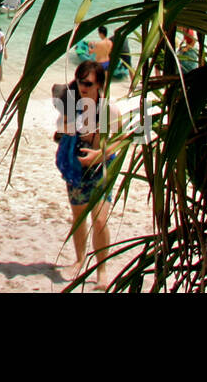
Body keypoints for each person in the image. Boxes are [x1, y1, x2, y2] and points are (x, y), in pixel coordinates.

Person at [54, 61, 120, 290]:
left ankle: (102, 270)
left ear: (99, 84)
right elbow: (62, 131)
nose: (83, 86)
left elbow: (123, 138)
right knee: (79, 218)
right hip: (76, 170)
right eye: (80, 81)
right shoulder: (72, 106)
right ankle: (80, 259)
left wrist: (99, 153)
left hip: (101, 168)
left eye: (88, 82)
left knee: (100, 220)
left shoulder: (109, 109)